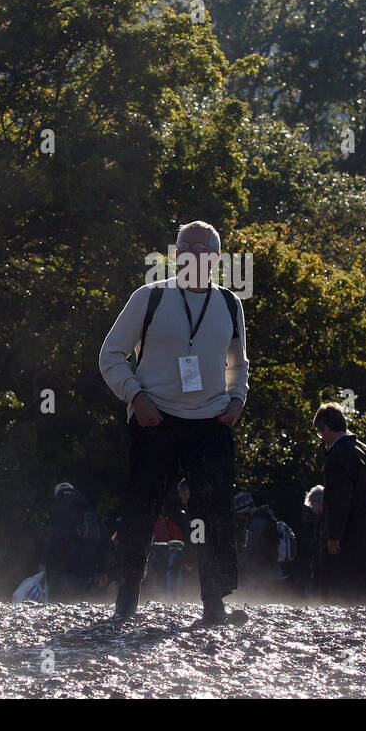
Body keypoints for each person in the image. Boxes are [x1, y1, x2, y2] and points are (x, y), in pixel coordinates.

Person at [98, 221, 249, 625]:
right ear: (175, 254)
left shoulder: (231, 304)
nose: (190, 256)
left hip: (210, 422)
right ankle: (126, 599)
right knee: (140, 508)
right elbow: (110, 354)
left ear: (216, 259)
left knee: (215, 511)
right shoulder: (149, 297)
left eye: (200, 250)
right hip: (156, 418)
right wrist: (137, 397)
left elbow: (239, 363)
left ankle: (214, 602)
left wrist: (237, 400)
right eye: (184, 249)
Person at [314, 403, 366, 603]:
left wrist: (333, 536)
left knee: (342, 592)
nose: (321, 438)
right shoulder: (364, 451)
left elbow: (337, 500)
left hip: (348, 538)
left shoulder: (338, 456)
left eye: (320, 432)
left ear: (328, 429)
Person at [40, 482, 113, 603]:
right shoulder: (90, 511)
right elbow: (105, 542)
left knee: (57, 609)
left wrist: (44, 562)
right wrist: (102, 570)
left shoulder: (58, 510)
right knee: (80, 608)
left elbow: (53, 539)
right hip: (87, 569)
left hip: (61, 570)